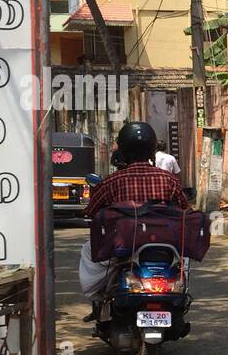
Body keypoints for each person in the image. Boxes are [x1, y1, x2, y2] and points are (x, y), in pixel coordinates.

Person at [79, 121, 189, 315]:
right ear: (152, 150)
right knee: (184, 261)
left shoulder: (113, 181)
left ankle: (97, 298)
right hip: (164, 245)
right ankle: (181, 291)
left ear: (123, 151)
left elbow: (91, 211)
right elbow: (184, 208)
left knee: (88, 250)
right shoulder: (169, 179)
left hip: (122, 247)